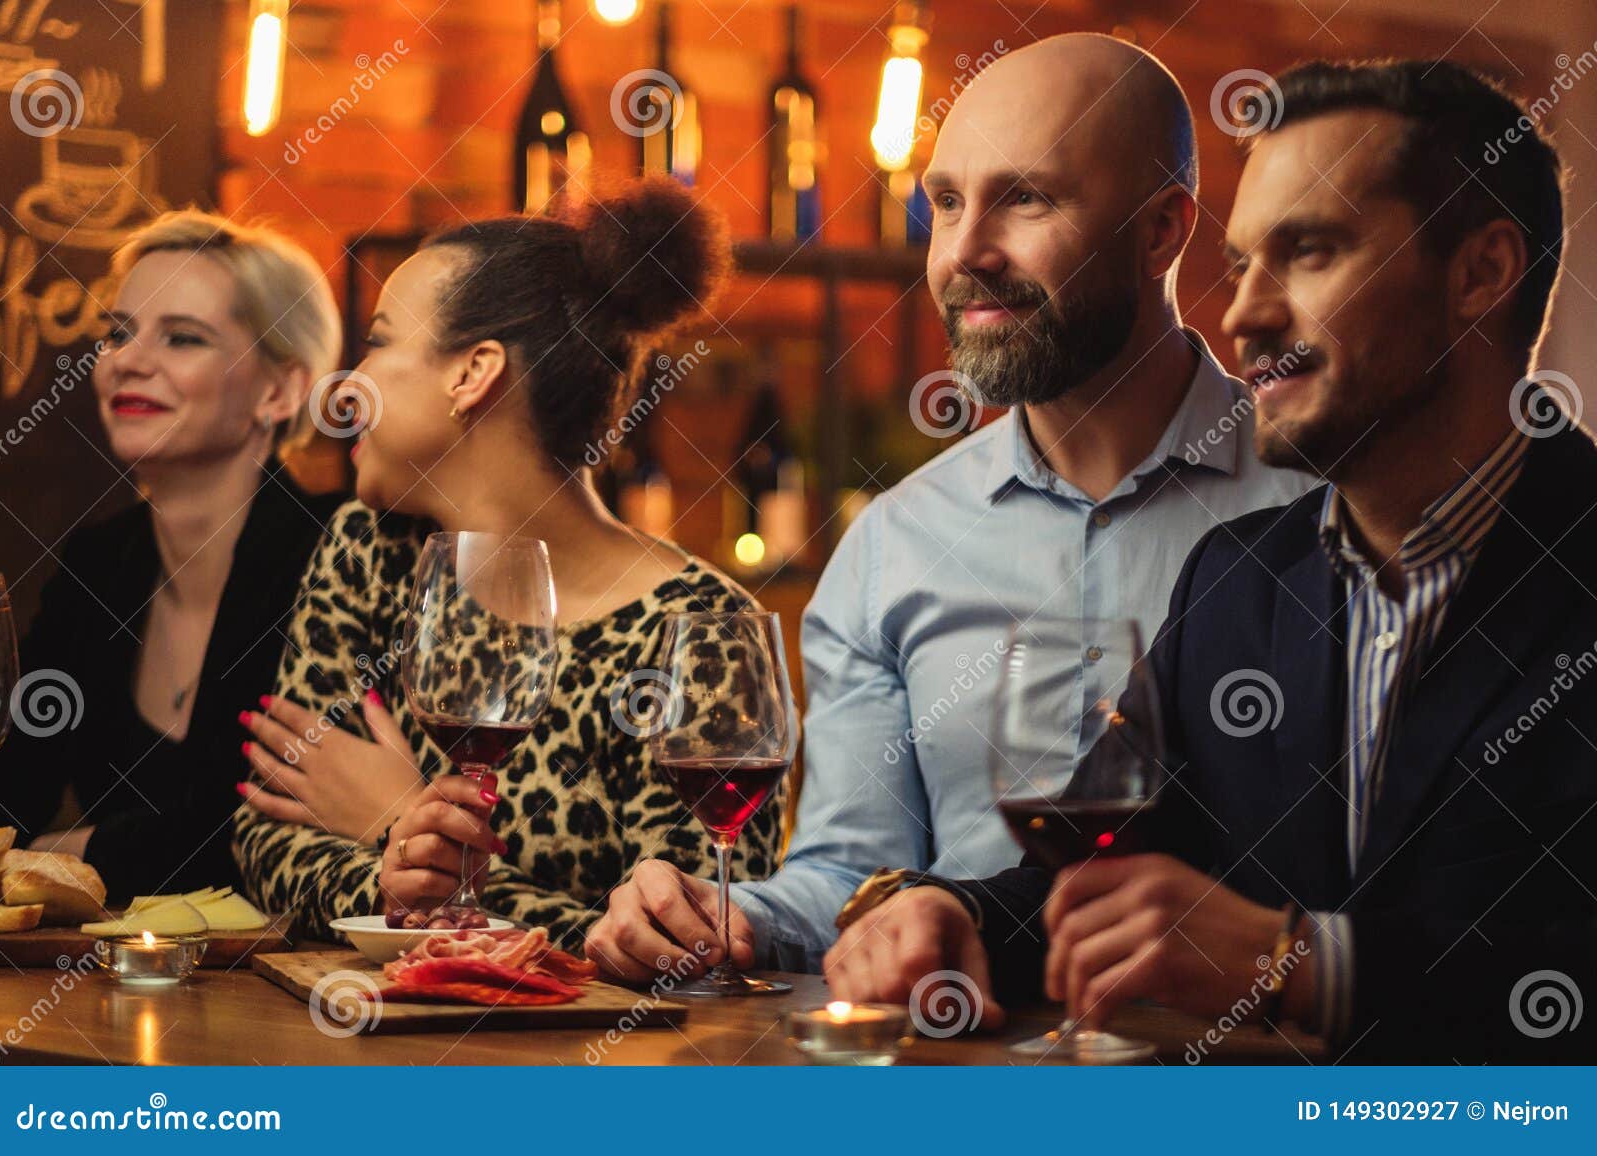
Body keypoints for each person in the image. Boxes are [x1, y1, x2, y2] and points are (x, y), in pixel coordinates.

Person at [827, 59, 1596, 1063]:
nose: (1241, 316)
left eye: (1309, 252)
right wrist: (956, 916)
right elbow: (1114, 873)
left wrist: (1306, 964)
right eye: (1239, 265)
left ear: (1479, 273)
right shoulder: (1237, 578)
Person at [583, 33, 1311, 983]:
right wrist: (727, 914)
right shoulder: (893, 543)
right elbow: (853, 873)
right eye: (946, 202)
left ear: (1161, 230)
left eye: (1026, 197)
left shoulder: (1322, 500)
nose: (963, 253)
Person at [231, 177, 783, 946]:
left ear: (473, 372)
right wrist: (394, 871)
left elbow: (684, 942)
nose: (349, 382)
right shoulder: (370, 549)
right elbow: (266, 835)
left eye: (381, 341)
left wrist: (409, 820)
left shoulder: (699, 631)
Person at [0, 211, 343, 899]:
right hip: (129, 988)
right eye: (118, 333)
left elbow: (252, 836)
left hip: (291, 988)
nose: (128, 359)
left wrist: (61, 856)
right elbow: (12, 797)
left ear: (279, 390)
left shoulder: (334, 556)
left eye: (182, 338)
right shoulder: (100, 563)